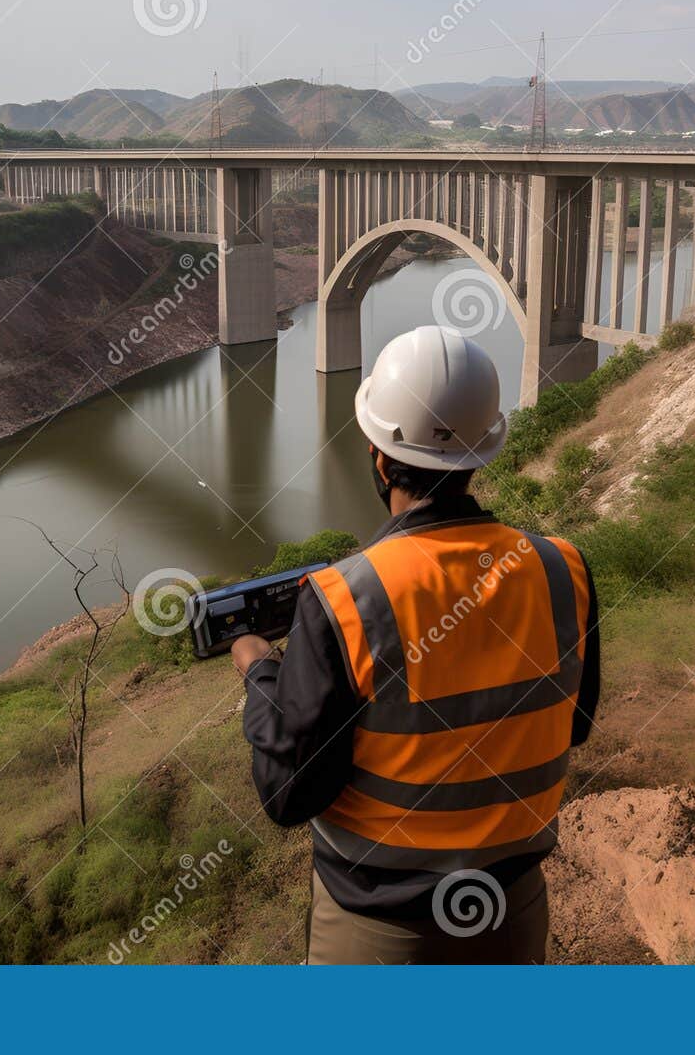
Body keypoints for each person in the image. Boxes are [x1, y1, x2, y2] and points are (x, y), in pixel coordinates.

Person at [234, 325, 599, 964]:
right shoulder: (560, 568)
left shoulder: (345, 598)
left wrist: (261, 674)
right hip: (513, 914)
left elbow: (288, 794)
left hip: (383, 933)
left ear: (380, 457)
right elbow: (574, 722)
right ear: (482, 453)